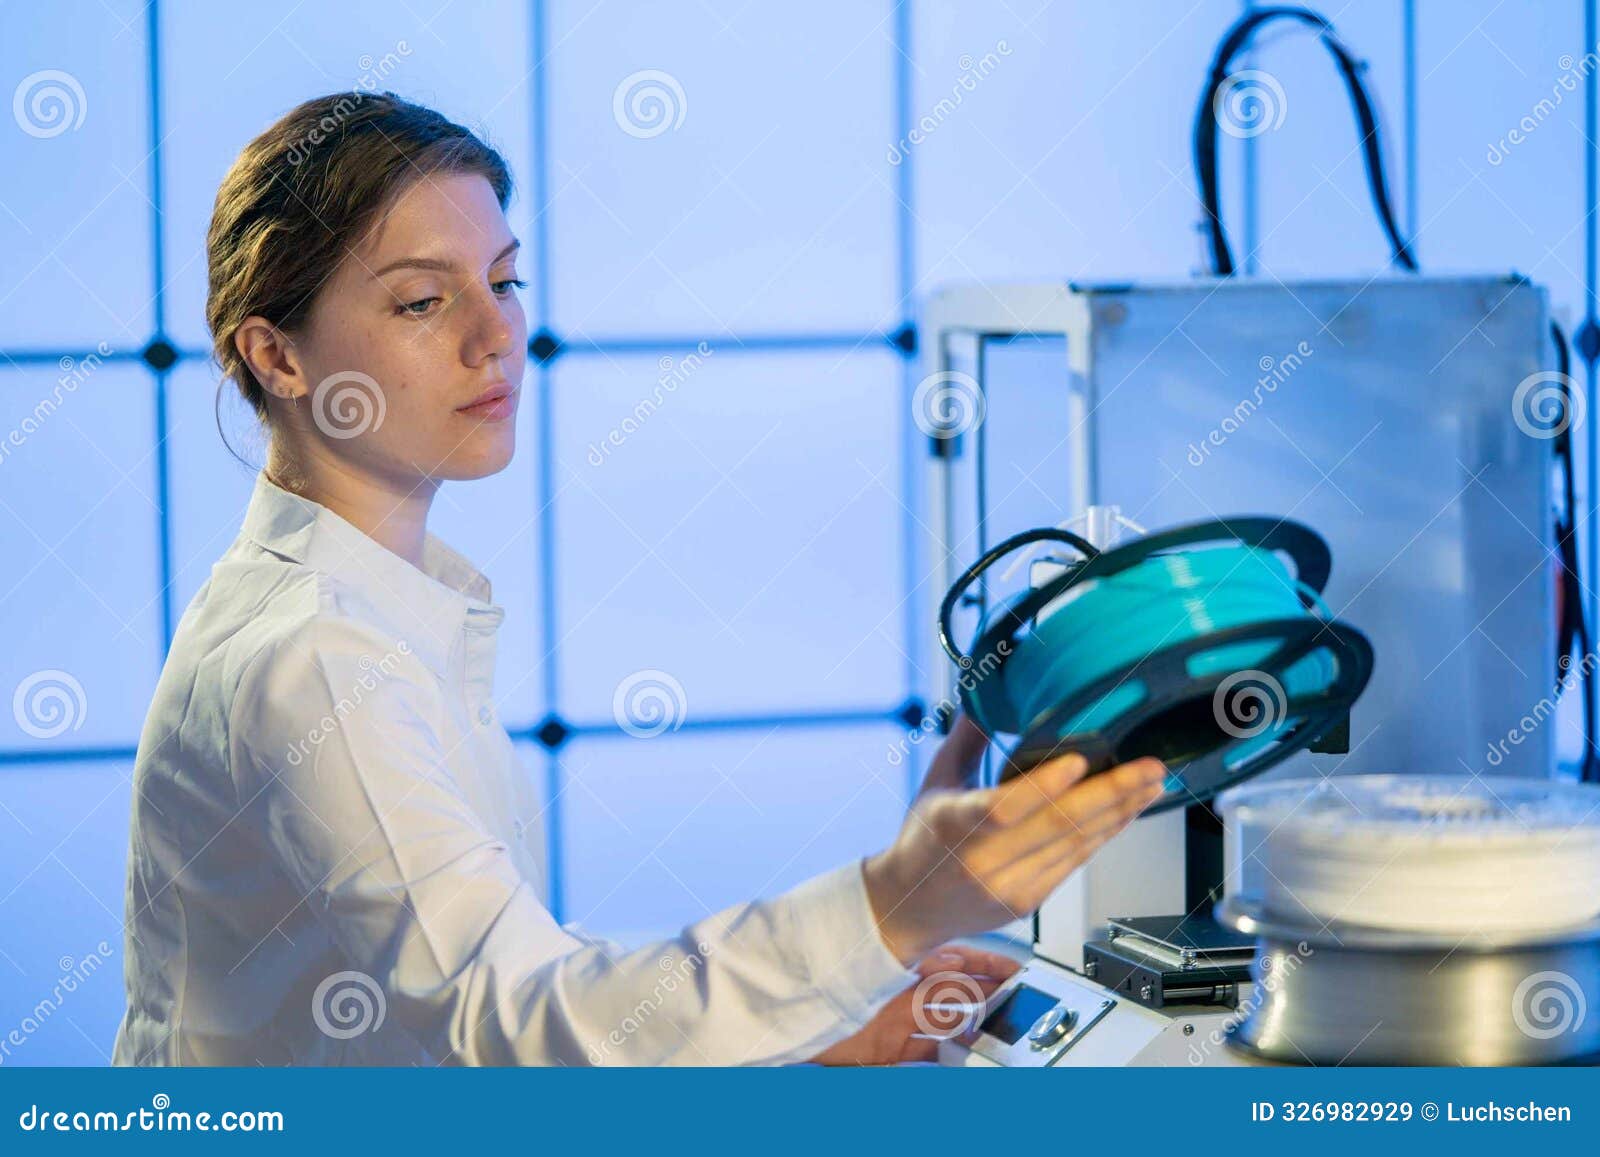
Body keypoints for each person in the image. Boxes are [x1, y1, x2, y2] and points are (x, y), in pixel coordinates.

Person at [111, 92, 1167, 1067]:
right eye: (423, 301)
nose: (496, 335)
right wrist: (893, 907)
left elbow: (495, 964)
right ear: (278, 357)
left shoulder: (378, 604)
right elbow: (506, 1012)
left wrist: (819, 1024)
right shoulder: (316, 655)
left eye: (504, 281)